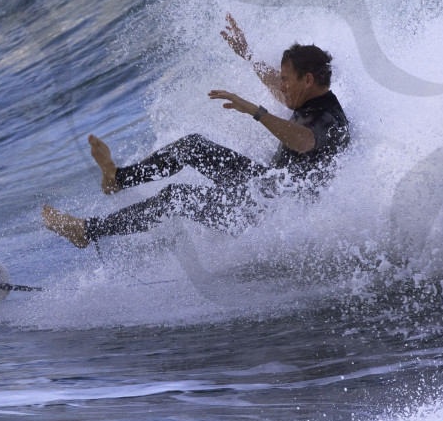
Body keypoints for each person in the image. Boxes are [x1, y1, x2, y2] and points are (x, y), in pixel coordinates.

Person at [42, 15, 349, 248]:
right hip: (261, 188)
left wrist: (256, 112)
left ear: (307, 80)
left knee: (176, 197)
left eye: (287, 79)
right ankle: (118, 179)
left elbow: (304, 141)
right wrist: (247, 54)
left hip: (270, 216)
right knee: (192, 146)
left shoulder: (330, 119)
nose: (281, 86)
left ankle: (87, 231)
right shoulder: (307, 96)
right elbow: (274, 84)